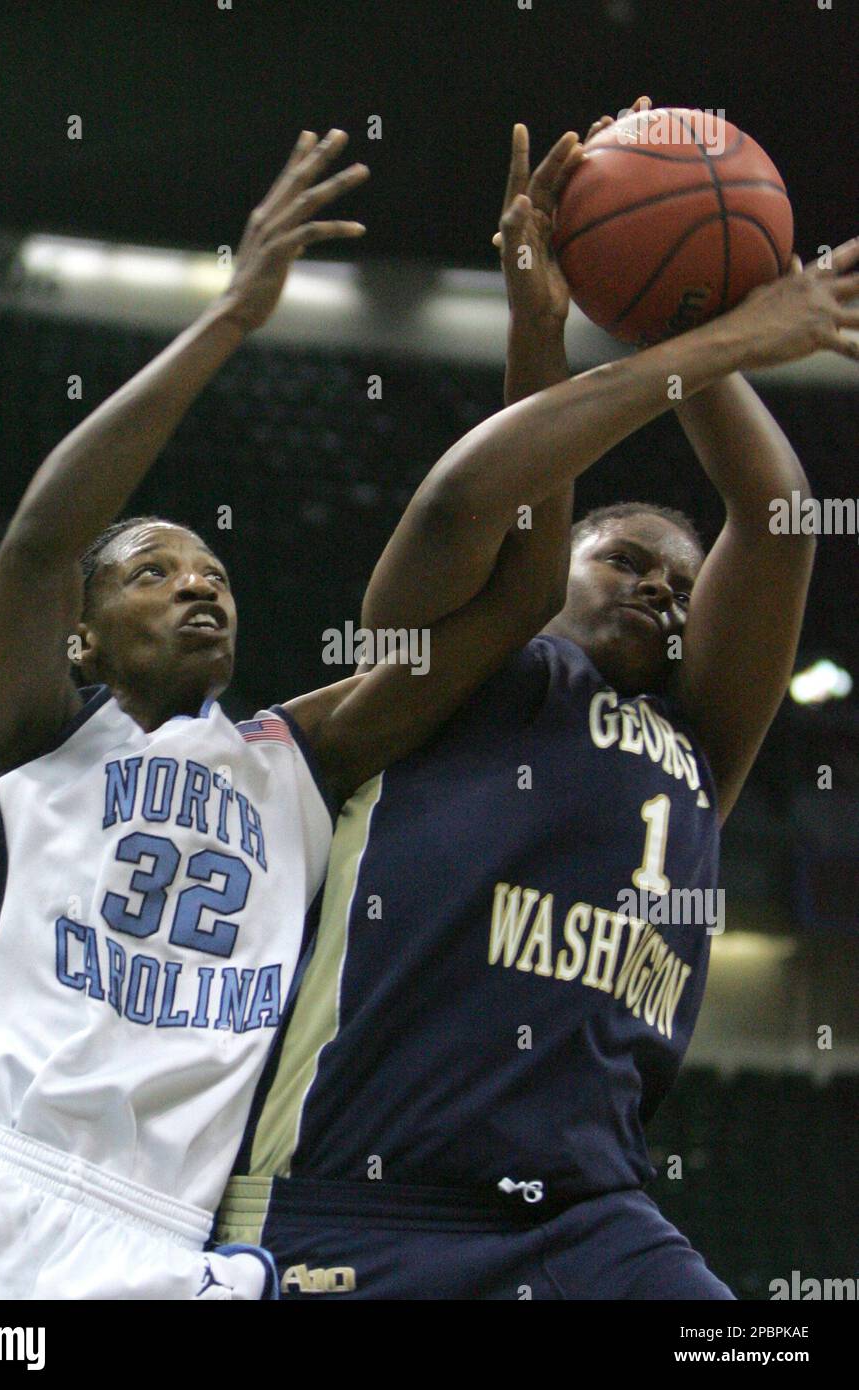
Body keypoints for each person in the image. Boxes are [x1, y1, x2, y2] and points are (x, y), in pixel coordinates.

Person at [0, 129, 571, 1301]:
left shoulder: (293, 762)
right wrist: (230, 316)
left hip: (158, 1242)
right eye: (152, 572)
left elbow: (523, 593)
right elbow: (43, 541)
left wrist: (537, 335)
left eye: (211, 571)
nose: (199, 581)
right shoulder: (38, 739)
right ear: (82, 635)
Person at [216, 106, 859, 1298]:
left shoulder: (695, 738)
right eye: (626, 561)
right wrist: (604, 336)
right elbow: (476, 505)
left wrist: (685, 317)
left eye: (680, 582)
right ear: (559, 563)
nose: (663, 594)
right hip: (365, 1193)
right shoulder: (450, 679)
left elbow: (774, 518)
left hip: (588, 1214)